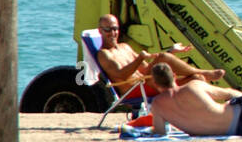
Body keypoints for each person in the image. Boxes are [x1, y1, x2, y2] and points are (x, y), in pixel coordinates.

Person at [94, 13, 225, 96]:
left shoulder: (125, 47)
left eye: (115, 28)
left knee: (197, 79)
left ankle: (199, 115)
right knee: (163, 58)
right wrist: (140, 58)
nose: (112, 33)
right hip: (136, 89)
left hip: (150, 82)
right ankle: (205, 72)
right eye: (108, 29)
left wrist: (171, 51)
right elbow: (121, 75)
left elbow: (145, 68)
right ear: (100, 30)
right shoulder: (104, 54)